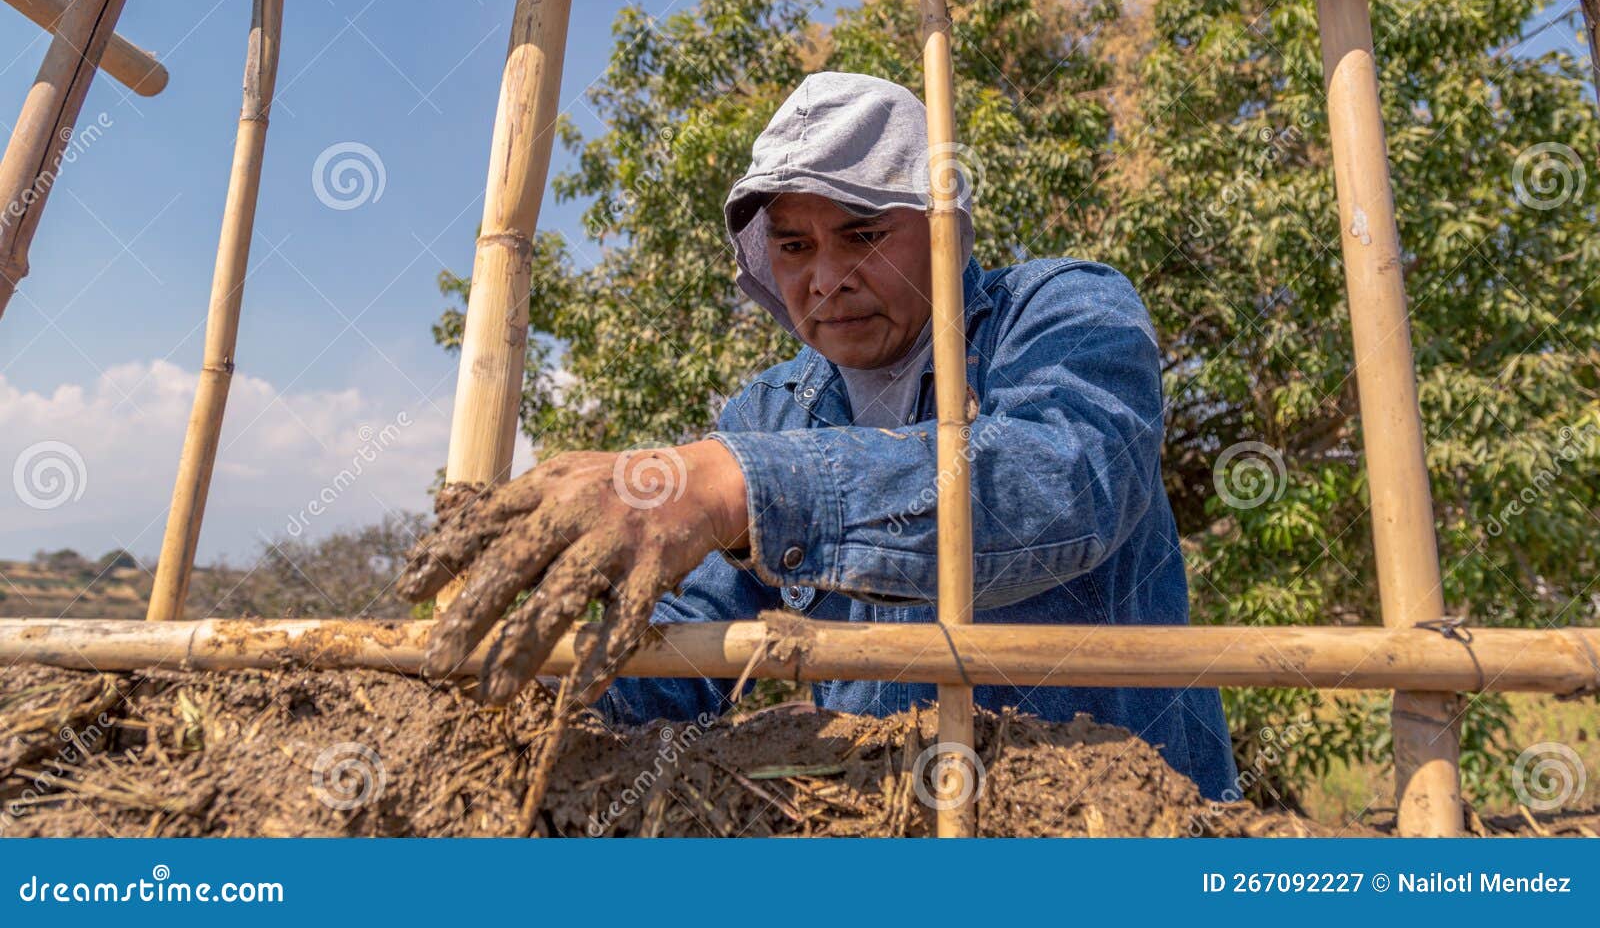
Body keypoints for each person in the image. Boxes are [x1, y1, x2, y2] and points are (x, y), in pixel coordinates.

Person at [399, 71, 1236, 800]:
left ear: (945, 226)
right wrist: (547, 687)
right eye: (794, 246)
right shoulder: (767, 415)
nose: (827, 279)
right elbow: (691, 650)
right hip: (890, 836)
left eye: (864, 233)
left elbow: (1063, 482)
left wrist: (738, 485)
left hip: (1117, 828)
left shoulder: (1063, 314)